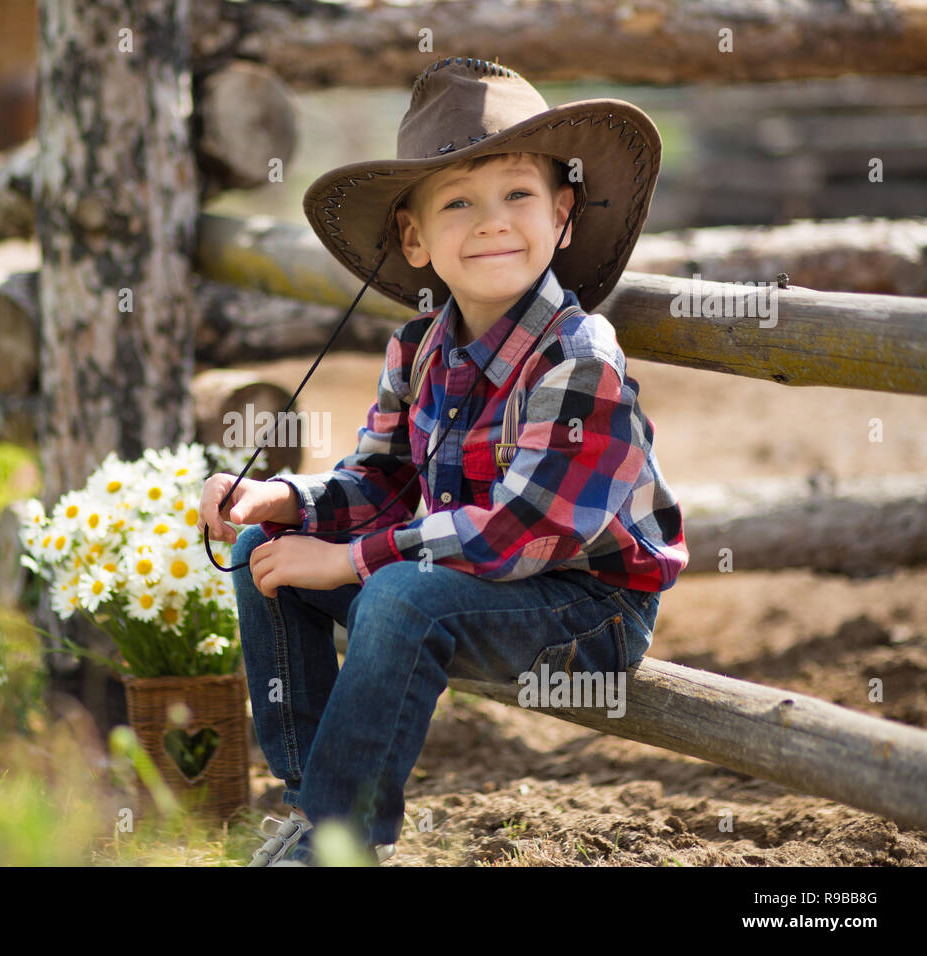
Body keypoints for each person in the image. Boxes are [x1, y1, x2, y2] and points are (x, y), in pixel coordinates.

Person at [196, 56, 689, 866]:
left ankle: (344, 839)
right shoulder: (418, 349)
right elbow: (384, 483)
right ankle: (313, 810)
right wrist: (286, 501)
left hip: (585, 610)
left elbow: (515, 534)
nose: (493, 221)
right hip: (460, 583)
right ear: (415, 239)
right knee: (265, 558)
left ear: (563, 214)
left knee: (394, 596)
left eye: (517, 195)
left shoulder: (578, 358)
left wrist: (348, 558)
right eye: (458, 201)